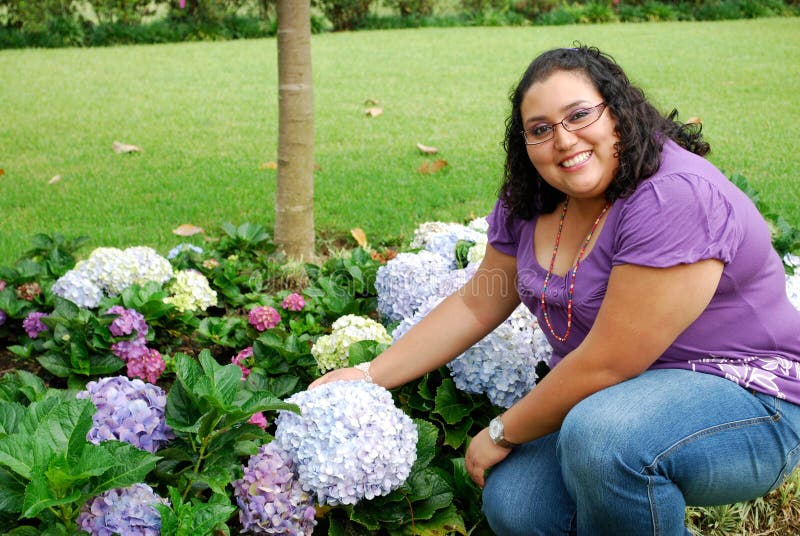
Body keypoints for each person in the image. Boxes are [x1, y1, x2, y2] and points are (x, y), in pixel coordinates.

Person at [310, 45, 800, 535]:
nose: (563, 140)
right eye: (541, 129)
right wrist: (368, 374)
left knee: (606, 441)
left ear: (619, 113)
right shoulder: (534, 198)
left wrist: (502, 430)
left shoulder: (674, 196)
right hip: (617, 398)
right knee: (518, 502)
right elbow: (478, 303)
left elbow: (611, 361)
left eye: (580, 115)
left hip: (750, 398)